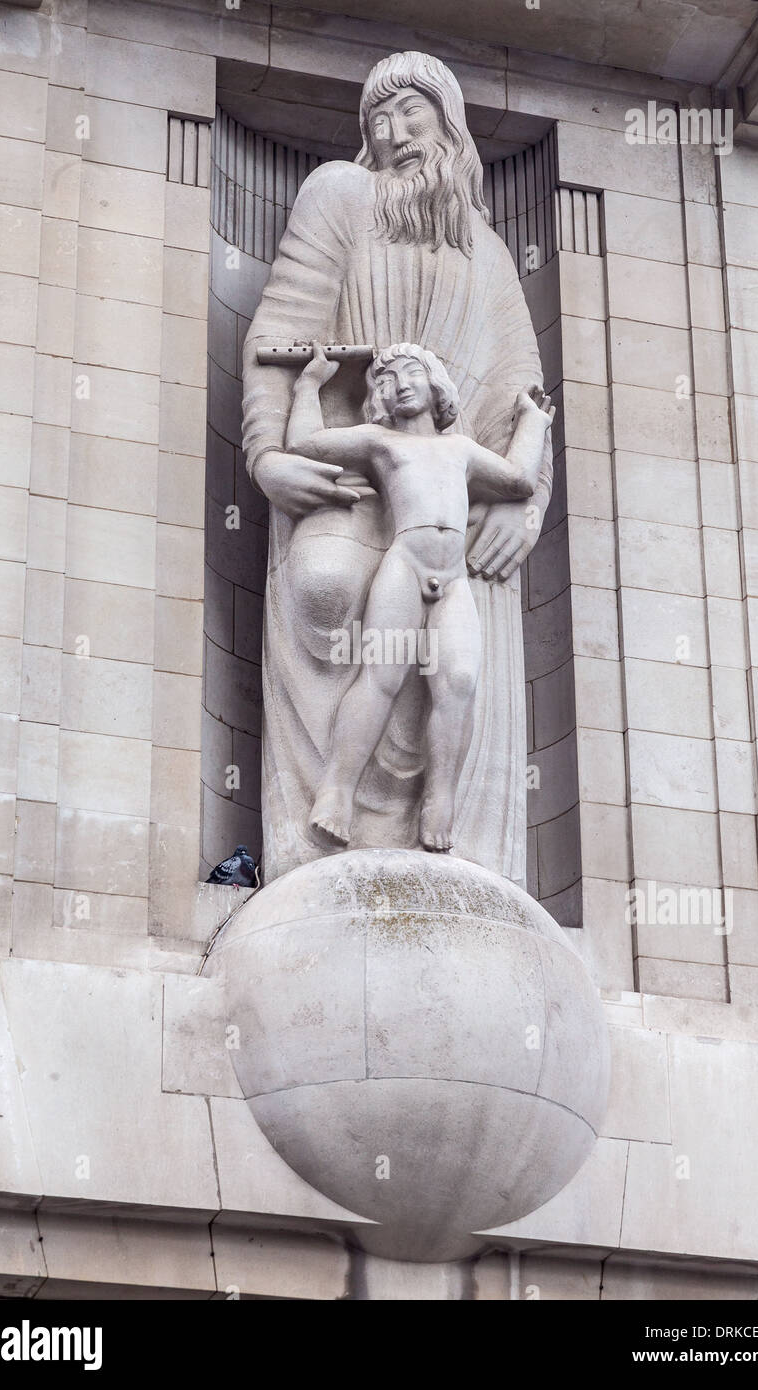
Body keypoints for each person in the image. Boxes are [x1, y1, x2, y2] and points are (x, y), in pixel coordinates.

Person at [242, 50, 555, 884]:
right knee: (332, 591)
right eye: (377, 120)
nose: (392, 133)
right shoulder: (339, 195)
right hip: (352, 476)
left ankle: (445, 832)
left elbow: (526, 403)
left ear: (448, 121)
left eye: (410, 112)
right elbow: (281, 336)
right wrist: (267, 457)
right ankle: (325, 825)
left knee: (456, 667)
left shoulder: (490, 252)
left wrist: (524, 510)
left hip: (454, 510)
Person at [285, 341, 554, 851]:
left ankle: (441, 799)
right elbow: (303, 443)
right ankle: (337, 791)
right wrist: (309, 384)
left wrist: (532, 422)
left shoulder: (461, 450)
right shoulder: (381, 442)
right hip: (406, 565)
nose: (401, 384)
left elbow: (519, 480)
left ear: (436, 384)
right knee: (381, 677)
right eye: (386, 379)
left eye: (413, 372)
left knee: (459, 679)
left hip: (452, 577)